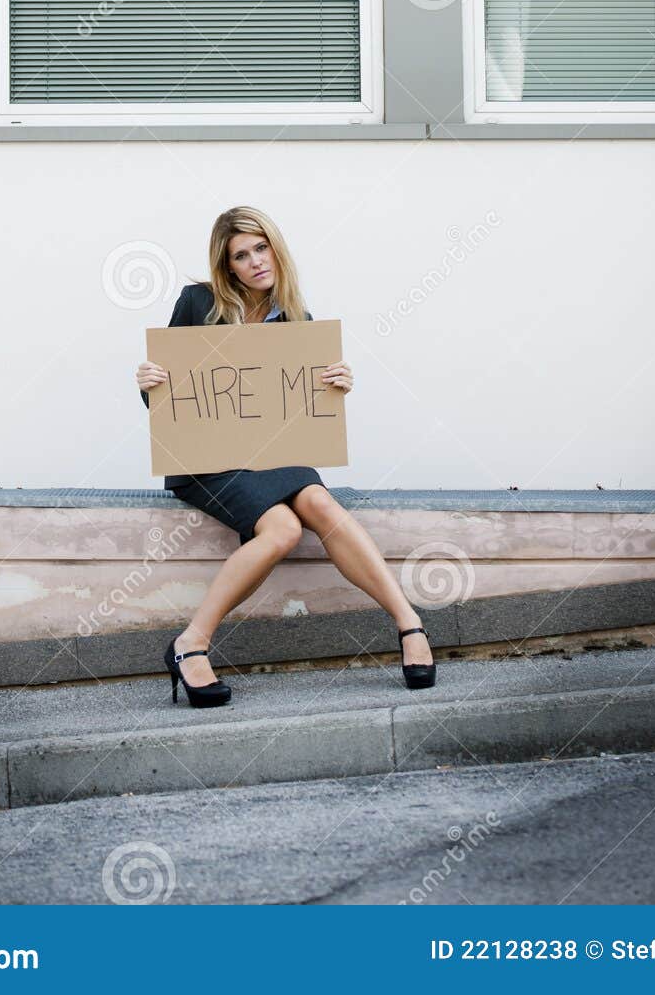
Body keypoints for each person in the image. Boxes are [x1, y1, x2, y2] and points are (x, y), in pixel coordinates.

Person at [136, 204, 436, 707]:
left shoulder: (299, 320)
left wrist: (337, 387)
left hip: (273, 452)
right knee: (283, 530)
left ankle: (410, 625)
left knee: (319, 502)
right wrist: (149, 383)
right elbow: (169, 403)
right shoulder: (197, 303)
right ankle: (190, 644)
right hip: (210, 459)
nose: (255, 261)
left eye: (261, 248)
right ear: (227, 265)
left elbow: (303, 410)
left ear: (276, 249)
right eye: (241, 255)